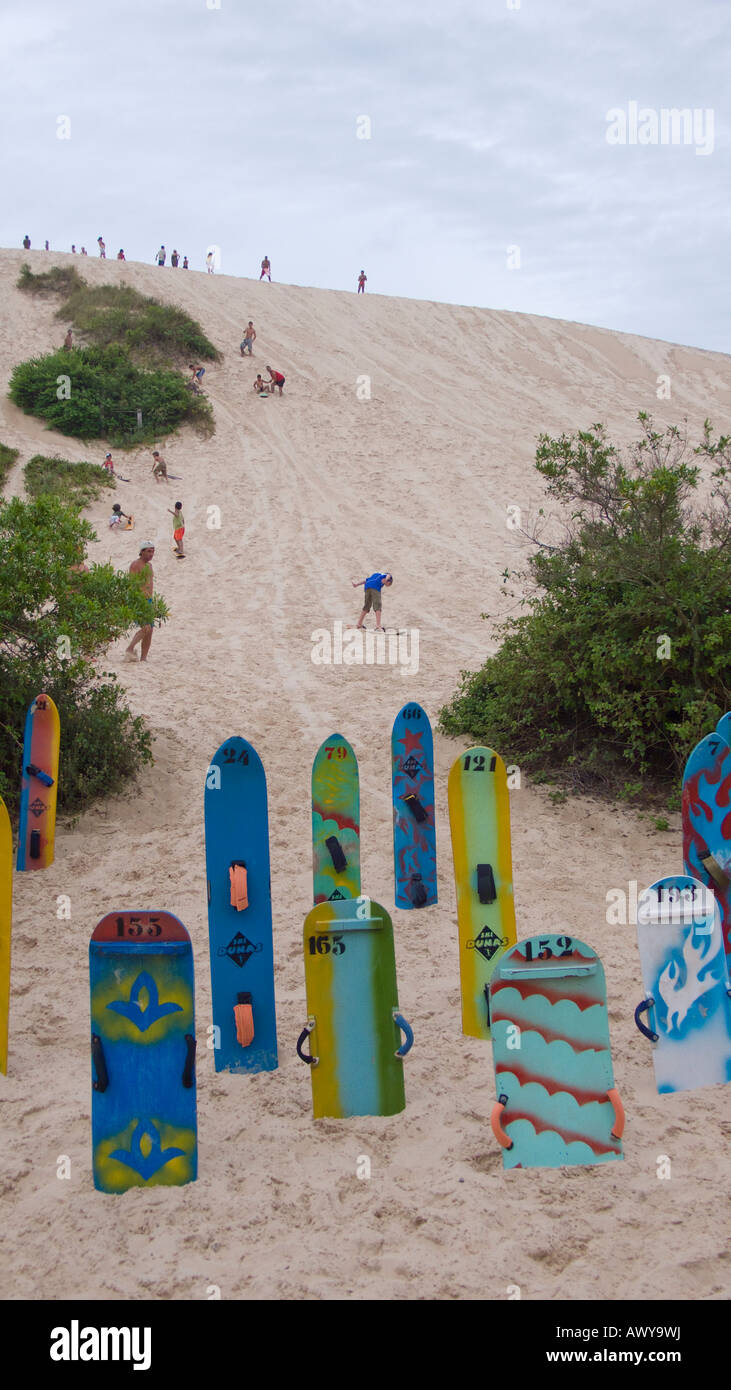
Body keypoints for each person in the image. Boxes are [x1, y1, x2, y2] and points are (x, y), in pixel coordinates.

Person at [125, 543, 156, 661]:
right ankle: (130, 648)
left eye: (152, 551)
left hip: (148, 600)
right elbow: (132, 584)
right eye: (148, 551)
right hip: (139, 599)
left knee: (150, 630)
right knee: (146, 627)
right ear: (142, 552)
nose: (151, 554)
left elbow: (150, 584)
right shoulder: (135, 565)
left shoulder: (150, 566)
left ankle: (143, 658)